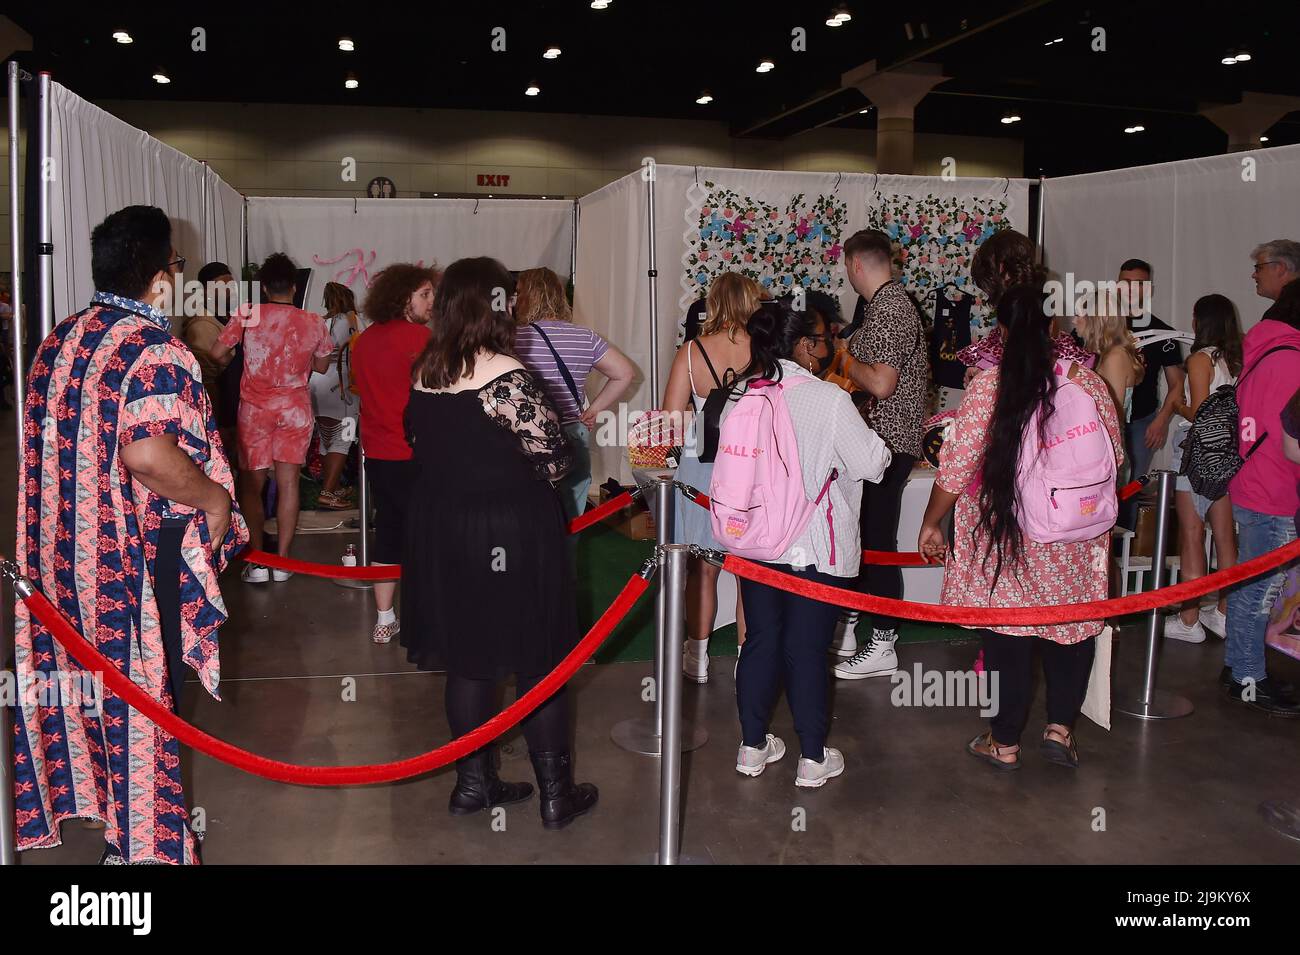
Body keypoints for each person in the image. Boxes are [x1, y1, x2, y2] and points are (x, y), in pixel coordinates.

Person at [12, 205, 247, 864]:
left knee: (91, 691)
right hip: (133, 564)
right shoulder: (154, 348)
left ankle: (113, 820)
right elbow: (147, 455)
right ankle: (141, 845)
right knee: (145, 695)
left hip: (61, 562)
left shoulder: (61, 337)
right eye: (174, 263)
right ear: (161, 276)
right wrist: (214, 497)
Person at [402, 256, 598, 828]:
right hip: (509, 529)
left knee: (469, 659)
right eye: (506, 297)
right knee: (539, 658)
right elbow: (555, 460)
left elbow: (422, 444)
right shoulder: (505, 373)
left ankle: (473, 783)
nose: (512, 306)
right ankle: (555, 794)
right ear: (492, 303)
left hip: (444, 526)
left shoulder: (427, 369)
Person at [918, 285, 1123, 770]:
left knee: (1008, 636)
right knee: (1069, 629)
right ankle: (1060, 730)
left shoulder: (990, 387)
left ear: (1002, 332)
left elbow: (956, 465)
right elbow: (1115, 459)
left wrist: (931, 522)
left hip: (1007, 535)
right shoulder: (1087, 384)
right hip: (1076, 535)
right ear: (1054, 328)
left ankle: (1004, 741)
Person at [727, 300, 892, 787]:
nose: (827, 347)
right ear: (803, 345)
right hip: (814, 547)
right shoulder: (829, 400)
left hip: (756, 542)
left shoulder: (742, 395)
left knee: (759, 641)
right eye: (821, 339)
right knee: (805, 649)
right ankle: (812, 758)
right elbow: (871, 465)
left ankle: (752, 747)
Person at [834, 229, 929, 680]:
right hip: (880, 442)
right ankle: (858, 625)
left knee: (876, 541)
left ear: (854, 265)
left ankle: (884, 640)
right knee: (865, 538)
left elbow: (882, 383)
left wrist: (843, 358)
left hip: (887, 445)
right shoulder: (888, 306)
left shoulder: (891, 309)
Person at [662, 271, 760, 683]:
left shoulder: (692, 351)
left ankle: (697, 655)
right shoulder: (766, 350)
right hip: (753, 467)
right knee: (749, 570)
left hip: (702, 466)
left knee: (703, 567)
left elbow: (671, 416)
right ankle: (746, 657)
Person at [212, 252, 333, 583]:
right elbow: (322, 366)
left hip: (254, 410)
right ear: (294, 287)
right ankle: (283, 562)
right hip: (295, 410)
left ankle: (259, 561)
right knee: (289, 483)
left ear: (264, 287)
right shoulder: (313, 321)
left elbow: (216, 353)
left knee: (252, 486)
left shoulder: (248, 314)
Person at [1222, 240, 1300, 715]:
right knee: (1260, 589)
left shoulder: (1263, 346)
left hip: (1254, 480)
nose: (1254, 275)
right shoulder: (1292, 357)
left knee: (1252, 585)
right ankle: (1247, 677)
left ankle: (1238, 666)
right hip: (1276, 488)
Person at [350, 264, 437, 643]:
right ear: (404, 298)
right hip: (418, 452)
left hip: (379, 451)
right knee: (429, 534)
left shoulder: (365, 340)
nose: (431, 301)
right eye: (424, 294)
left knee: (388, 529)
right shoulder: (420, 337)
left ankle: (385, 618)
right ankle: (426, 622)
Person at [514, 266, 636, 527]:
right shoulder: (585, 337)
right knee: (571, 520)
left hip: (526, 435)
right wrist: (593, 411)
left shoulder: (513, 338)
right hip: (573, 432)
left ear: (524, 297)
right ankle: (566, 567)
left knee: (526, 518)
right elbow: (624, 373)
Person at [1165, 294, 1242, 642]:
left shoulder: (1200, 359)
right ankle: (1225, 613)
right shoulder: (1235, 361)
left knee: (1192, 538)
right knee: (1226, 540)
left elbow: (1199, 413)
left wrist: (1178, 406)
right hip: (1226, 456)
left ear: (1200, 322)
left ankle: (1188, 619)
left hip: (1196, 458)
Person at [1117, 259, 1185, 528]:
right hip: (1103, 419)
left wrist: (1161, 420)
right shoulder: (1100, 327)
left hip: (1142, 421)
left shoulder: (1162, 333)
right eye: (1126, 283)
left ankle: (1124, 555)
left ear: (1148, 289)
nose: (1131, 290)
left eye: (1138, 284)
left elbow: (1177, 384)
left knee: (1132, 487)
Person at [311, 281, 362, 510]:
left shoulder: (319, 322)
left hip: (315, 384)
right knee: (344, 438)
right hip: (343, 388)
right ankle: (328, 491)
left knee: (326, 439)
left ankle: (329, 486)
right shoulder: (351, 319)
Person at [1075, 301, 1144, 433]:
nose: (1074, 321)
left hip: (1106, 441)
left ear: (1095, 320)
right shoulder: (1106, 354)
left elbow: (1112, 416)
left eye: (1078, 315)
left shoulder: (1115, 357)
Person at [182, 261, 236, 414]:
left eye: (232, 286)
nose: (230, 291)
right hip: (223, 412)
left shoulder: (231, 317)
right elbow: (207, 381)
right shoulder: (201, 326)